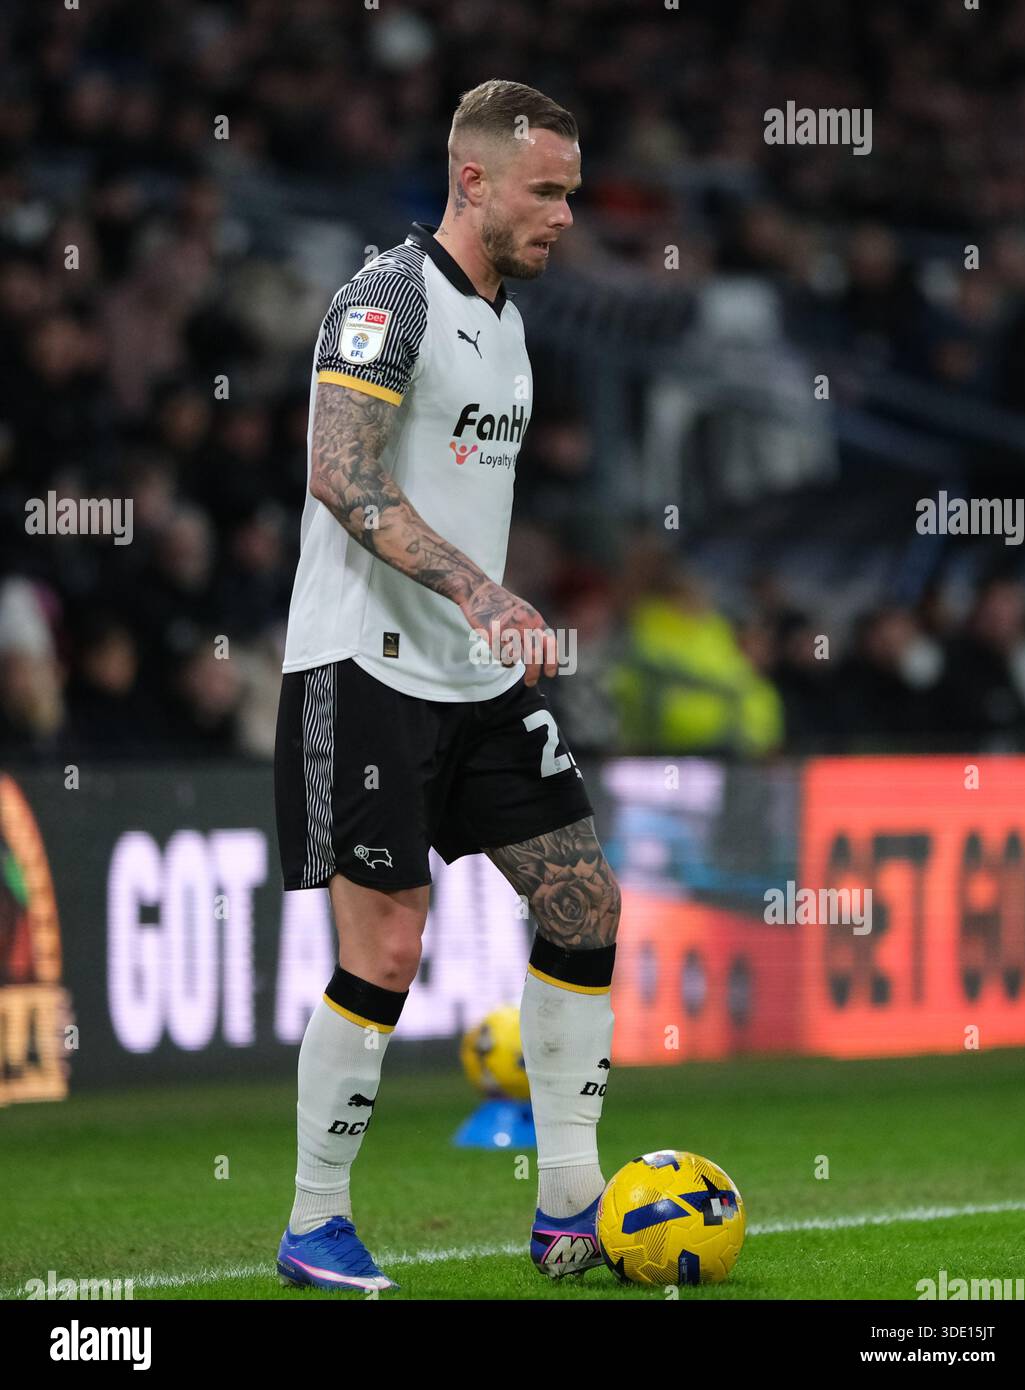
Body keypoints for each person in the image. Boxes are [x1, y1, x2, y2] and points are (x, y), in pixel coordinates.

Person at [273, 80, 621, 1294]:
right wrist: (483, 591)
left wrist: (483, 617)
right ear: (472, 180)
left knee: (582, 901)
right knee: (388, 947)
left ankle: (571, 1204)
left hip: (474, 679)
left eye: (572, 194)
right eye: (548, 191)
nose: (566, 216)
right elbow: (338, 474)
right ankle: (315, 1222)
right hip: (363, 661)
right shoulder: (386, 297)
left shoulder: (510, 322)